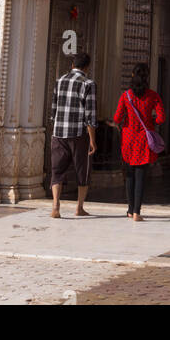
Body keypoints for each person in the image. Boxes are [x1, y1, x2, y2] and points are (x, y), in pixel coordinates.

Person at [111, 63, 166, 221]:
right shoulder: (153, 96)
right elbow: (162, 118)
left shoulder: (126, 96)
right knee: (141, 176)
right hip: (144, 141)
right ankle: (136, 212)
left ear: (133, 76)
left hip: (128, 139)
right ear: (147, 77)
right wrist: (151, 121)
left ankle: (129, 210)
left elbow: (117, 118)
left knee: (129, 175)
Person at [50, 51, 97, 219]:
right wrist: (92, 139)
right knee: (82, 170)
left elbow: (53, 109)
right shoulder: (88, 83)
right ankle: (79, 207)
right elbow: (90, 115)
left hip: (58, 132)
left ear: (72, 65)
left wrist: (56, 125)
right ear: (87, 67)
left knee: (57, 170)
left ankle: (55, 206)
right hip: (78, 133)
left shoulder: (59, 81)